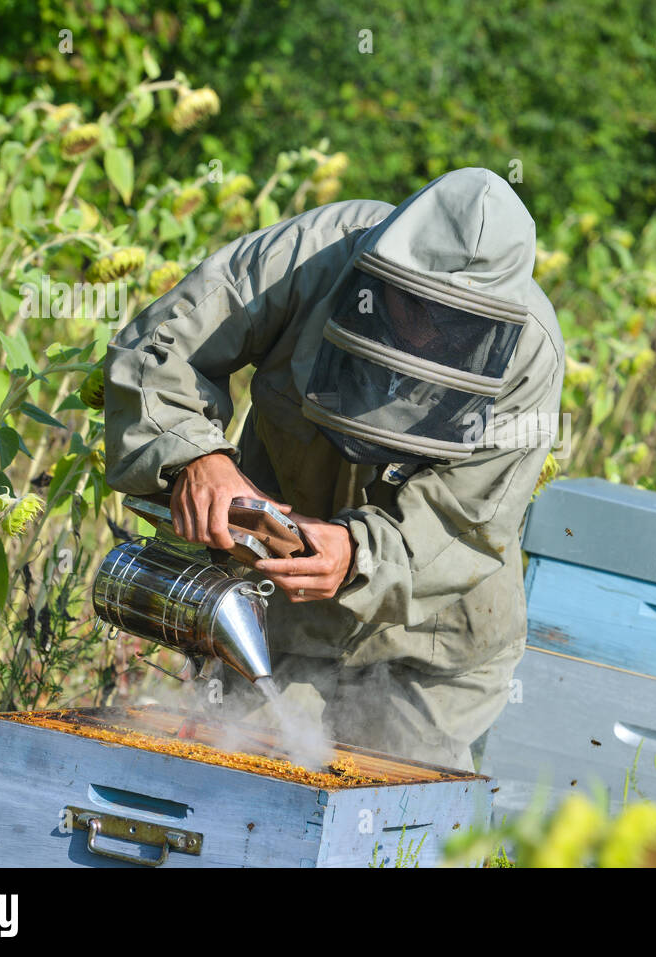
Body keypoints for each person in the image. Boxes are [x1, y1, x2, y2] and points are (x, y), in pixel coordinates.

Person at [103, 168, 564, 770]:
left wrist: (359, 555)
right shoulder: (307, 257)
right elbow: (160, 350)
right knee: (236, 798)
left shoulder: (531, 357)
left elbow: (464, 520)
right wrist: (195, 455)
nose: (424, 332)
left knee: (396, 838)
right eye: (412, 304)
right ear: (376, 266)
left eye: (448, 324)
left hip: (429, 644)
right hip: (275, 613)